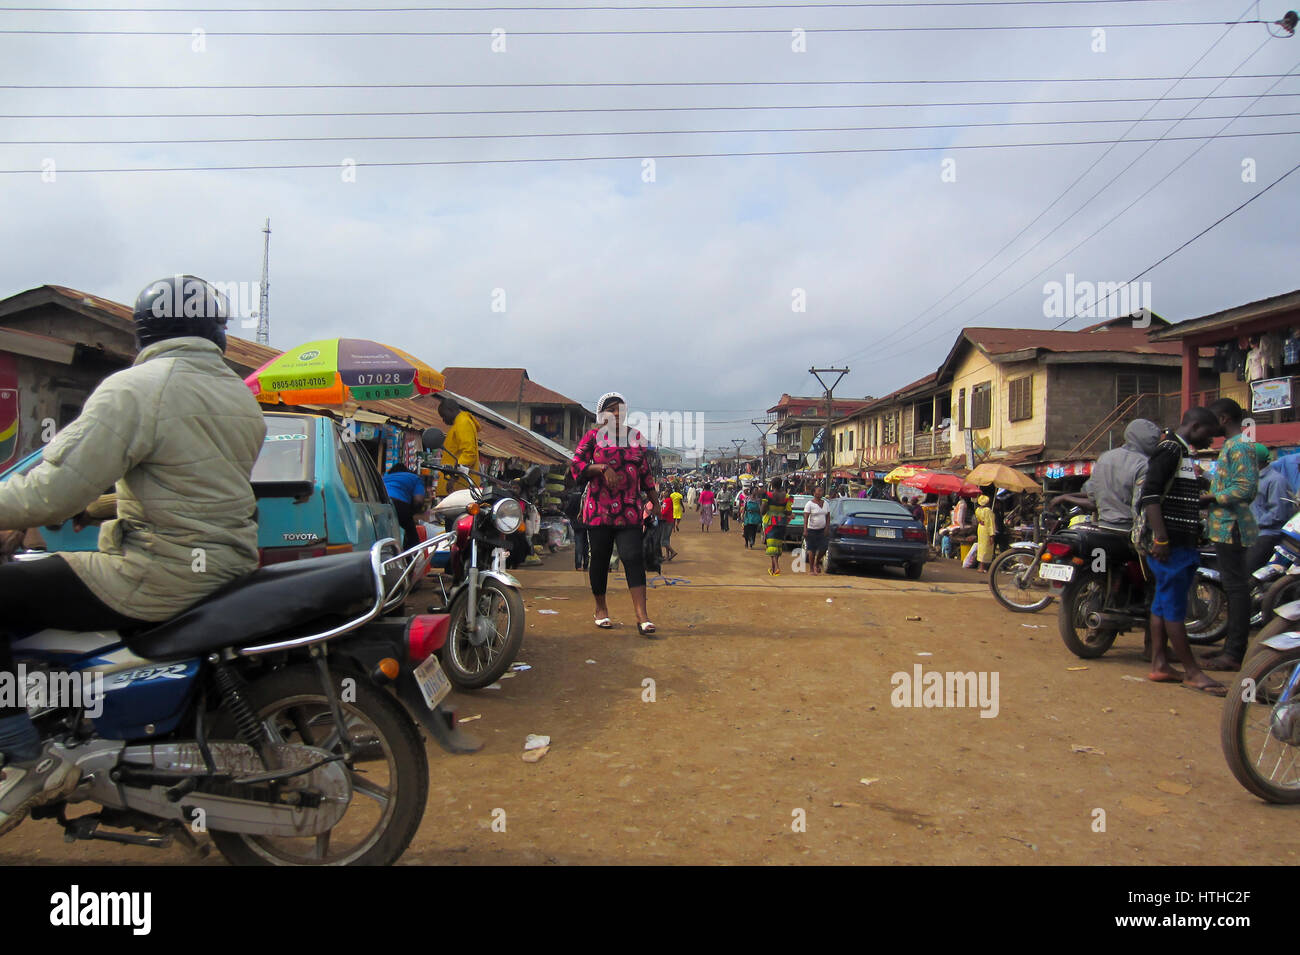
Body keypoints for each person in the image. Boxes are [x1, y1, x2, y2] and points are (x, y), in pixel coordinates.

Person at [0, 275, 267, 836]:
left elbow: (49, 490)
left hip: (156, 574)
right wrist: (100, 508)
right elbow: (187, 485)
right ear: (217, 332)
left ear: (143, 329)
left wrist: (64, 502)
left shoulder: (137, 387)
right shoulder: (237, 396)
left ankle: (19, 748)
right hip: (225, 566)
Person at [1141, 406, 1225, 694]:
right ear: (1197, 426)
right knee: (1174, 607)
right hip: (1171, 545)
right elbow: (1150, 495)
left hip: (1179, 543)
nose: (1211, 442)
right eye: (1210, 435)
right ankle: (1192, 672)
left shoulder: (1183, 453)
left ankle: (1160, 664)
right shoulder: (1170, 449)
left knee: (1163, 605)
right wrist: (1161, 539)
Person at [570, 392, 659, 636]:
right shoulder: (593, 437)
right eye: (612, 409)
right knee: (599, 557)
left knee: (632, 556)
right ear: (602, 414)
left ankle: (642, 616)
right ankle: (601, 609)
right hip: (598, 510)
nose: (618, 413)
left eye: (621, 409)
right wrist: (600, 467)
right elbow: (576, 464)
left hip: (629, 509)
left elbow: (645, 471)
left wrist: (655, 501)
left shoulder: (635, 437)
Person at [1199, 398, 1260, 673]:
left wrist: (1211, 497)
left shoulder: (1241, 446)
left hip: (1233, 524)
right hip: (1223, 525)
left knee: (1237, 589)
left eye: (1211, 421)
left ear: (1223, 419)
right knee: (1233, 587)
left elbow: (1245, 489)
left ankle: (1235, 653)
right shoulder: (1231, 446)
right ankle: (1230, 648)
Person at [1250, 446, 1288, 572]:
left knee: (1247, 572)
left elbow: (1278, 513)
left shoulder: (1275, 480)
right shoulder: (1253, 479)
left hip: (1267, 535)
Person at [435, 396, 480, 498]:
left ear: (450, 410)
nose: (443, 420)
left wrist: (454, 477)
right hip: (456, 489)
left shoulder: (463, 423)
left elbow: (469, 454)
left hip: (458, 488)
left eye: (444, 415)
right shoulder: (459, 424)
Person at [383, 462, 426, 550]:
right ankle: (411, 561)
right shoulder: (415, 478)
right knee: (412, 540)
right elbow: (418, 501)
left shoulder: (384, 478)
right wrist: (412, 514)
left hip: (382, 504)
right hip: (400, 505)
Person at [761, 477, 793, 576]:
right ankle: (773, 568)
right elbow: (789, 511)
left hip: (770, 521)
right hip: (782, 522)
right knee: (777, 545)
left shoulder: (768, 495)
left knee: (771, 545)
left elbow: (763, 511)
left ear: (771, 484)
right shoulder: (787, 496)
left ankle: (777, 566)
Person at [562, 476, 589, 572]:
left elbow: (568, 510)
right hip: (588, 523)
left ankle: (578, 565)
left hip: (577, 523)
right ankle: (586, 564)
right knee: (587, 544)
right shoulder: (590, 495)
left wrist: (573, 517)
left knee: (579, 543)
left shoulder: (575, 495)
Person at [803, 487, 832, 574]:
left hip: (822, 530)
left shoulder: (826, 503)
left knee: (824, 548)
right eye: (818, 491)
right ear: (814, 493)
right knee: (812, 550)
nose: (820, 492)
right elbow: (806, 518)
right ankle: (811, 569)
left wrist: (827, 527)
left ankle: (817, 562)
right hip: (811, 530)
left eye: (821, 490)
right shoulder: (809, 504)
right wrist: (805, 530)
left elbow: (828, 516)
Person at [975, 494, 996, 572]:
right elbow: (990, 523)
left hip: (980, 528)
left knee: (981, 547)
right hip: (986, 529)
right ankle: (982, 567)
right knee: (985, 548)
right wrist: (992, 535)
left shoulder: (978, 509)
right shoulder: (987, 510)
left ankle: (981, 566)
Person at [658, 490, 677, 562]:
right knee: (666, 539)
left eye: (665, 492)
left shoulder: (667, 501)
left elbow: (665, 511)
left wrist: (659, 514)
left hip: (667, 521)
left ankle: (672, 552)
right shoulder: (666, 500)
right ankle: (668, 555)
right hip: (668, 521)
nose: (663, 493)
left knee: (663, 540)